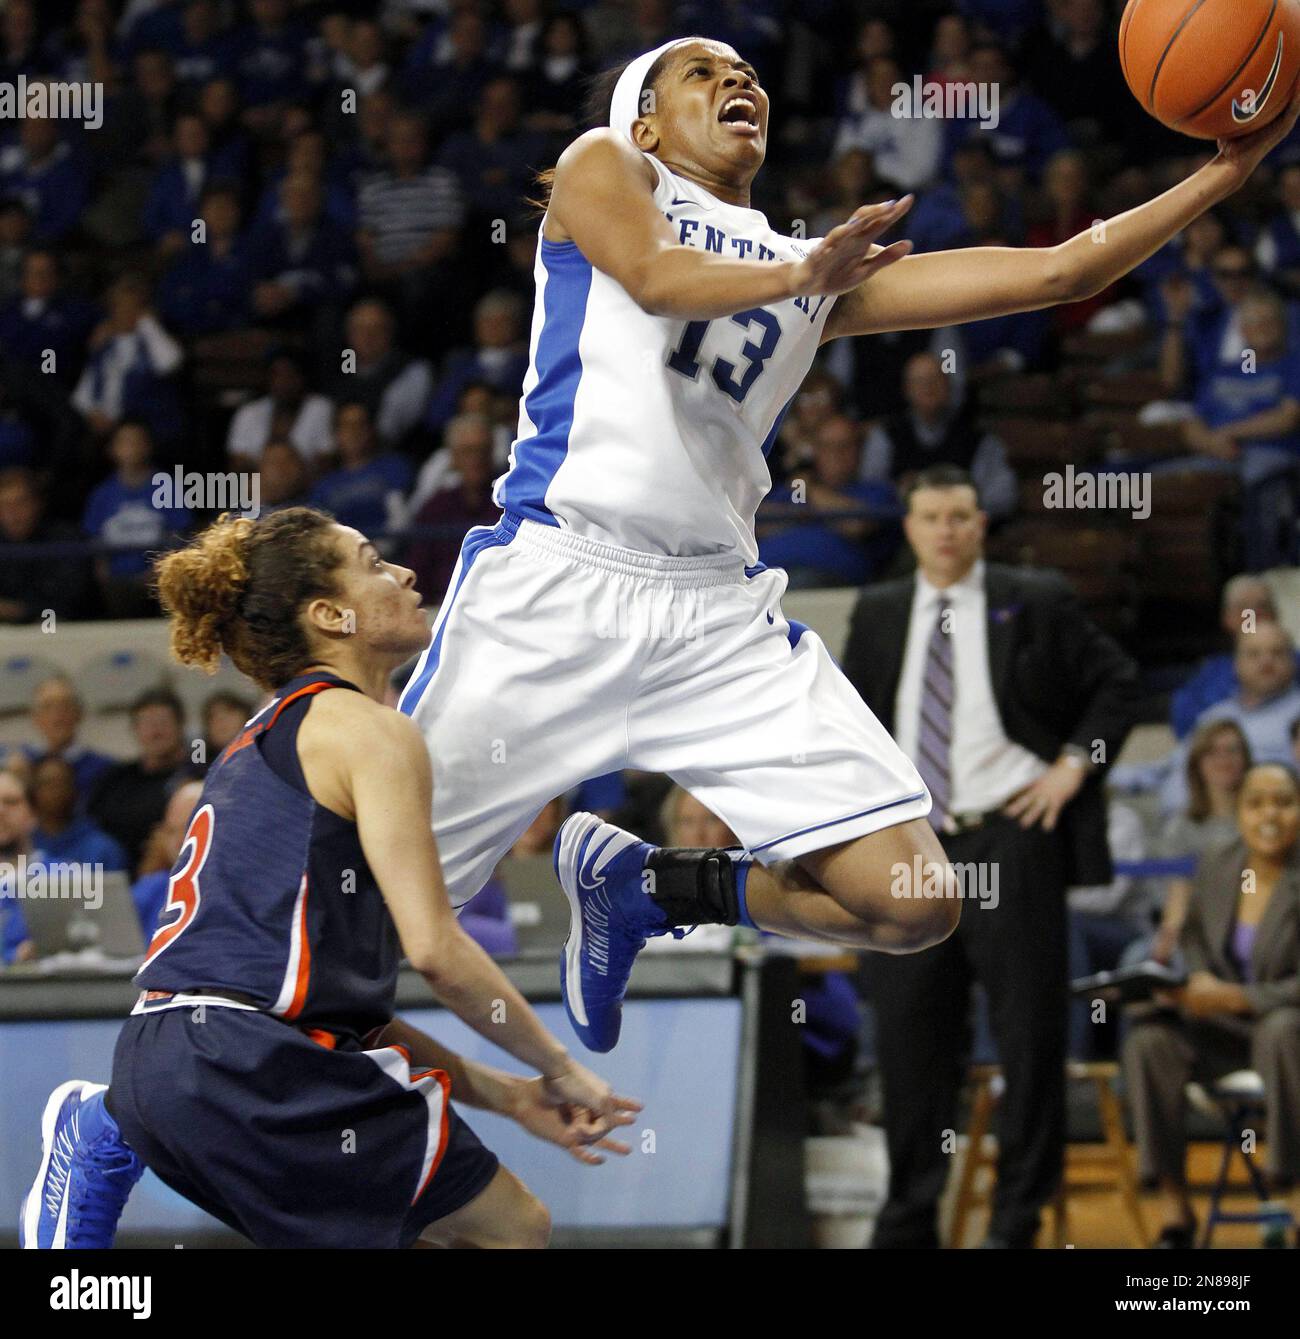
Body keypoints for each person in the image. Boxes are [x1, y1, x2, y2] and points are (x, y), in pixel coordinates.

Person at [393, 34, 1300, 1069]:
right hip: (558, 578)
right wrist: (802, 271)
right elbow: (649, 274)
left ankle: (648, 887)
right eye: (702, 71)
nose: (739, 80)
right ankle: (177, 1059)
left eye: (747, 71)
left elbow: (1058, 270)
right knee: (366, 896)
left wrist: (1220, 174)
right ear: (643, 119)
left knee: (912, 901)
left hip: (712, 613)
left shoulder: (810, 276)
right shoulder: (611, 166)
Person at [21, 507, 638, 1250]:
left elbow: (349, 1014)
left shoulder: (257, 743)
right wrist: (562, 1066)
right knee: (510, 1229)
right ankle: (101, 1131)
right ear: (329, 613)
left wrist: (511, 1095)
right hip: (255, 1065)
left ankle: (106, 1129)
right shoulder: (368, 730)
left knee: (474, 1232)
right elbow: (438, 951)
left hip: (170, 1060)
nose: (406, 574)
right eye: (376, 561)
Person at [841, 465, 1139, 1246]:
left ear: (981, 524)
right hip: (911, 843)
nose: (947, 529)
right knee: (909, 1042)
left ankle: (1015, 1221)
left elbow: (1117, 680)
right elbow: (848, 723)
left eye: (962, 516)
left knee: (1029, 1038)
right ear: (908, 527)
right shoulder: (876, 611)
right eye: (932, 515)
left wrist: (1074, 766)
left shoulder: (1034, 598)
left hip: (1012, 834)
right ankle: (909, 1221)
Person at [1122, 762, 1300, 1248]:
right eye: (1256, 803)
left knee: (1283, 1029)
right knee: (1150, 1040)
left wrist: (1239, 997)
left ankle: (1287, 1191)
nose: (1270, 814)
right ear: (1239, 812)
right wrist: (1185, 984)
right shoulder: (1218, 866)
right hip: (1221, 1032)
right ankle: (1174, 1209)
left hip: (1286, 1035)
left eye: (1283, 802)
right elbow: (1197, 947)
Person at [88, 687, 202, 869]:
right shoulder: (114, 779)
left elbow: (201, 748)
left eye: (163, 723)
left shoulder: (195, 776)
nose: (156, 732)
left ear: (181, 725)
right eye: (147, 724)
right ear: (135, 730)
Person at [21, 675, 115, 801]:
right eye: (47, 707)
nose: (57, 716)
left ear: (79, 714)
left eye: (65, 706)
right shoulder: (20, 765)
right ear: (35, 718)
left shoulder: (106, 770)